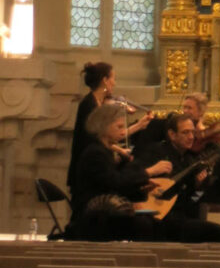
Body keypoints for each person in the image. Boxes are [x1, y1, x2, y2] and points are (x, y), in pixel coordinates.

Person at [69, 103, 172, 241]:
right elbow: (115, 182)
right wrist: (149, 172)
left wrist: (141, 187)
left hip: (106, 210)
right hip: (95, 215)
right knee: (147, 225)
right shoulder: (95, 153)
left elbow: (116, 182)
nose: (124, 132)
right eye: (119, 127)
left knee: (157, 222)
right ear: (103, 127)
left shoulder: (104, 151)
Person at [136, 113, 220, 242]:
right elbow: (134, 180)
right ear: (172, 134)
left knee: (218, 231)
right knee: (218, 233)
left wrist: (199, 187)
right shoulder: (155, 151)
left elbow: (193, 200)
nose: (191, 137)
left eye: (192, 132)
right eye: (185, 133)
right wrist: (151, 172)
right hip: (156, 217)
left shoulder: (190, 160)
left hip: (179, 217)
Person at [67, 61, 151, 193]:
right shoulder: (90, 105)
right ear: (105, 80)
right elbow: (97, 138)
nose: (114, 83)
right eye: (113, 78)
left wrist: (140, 125)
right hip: (88, 168)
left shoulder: (99, 102)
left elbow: (113, 134)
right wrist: (120, 150)